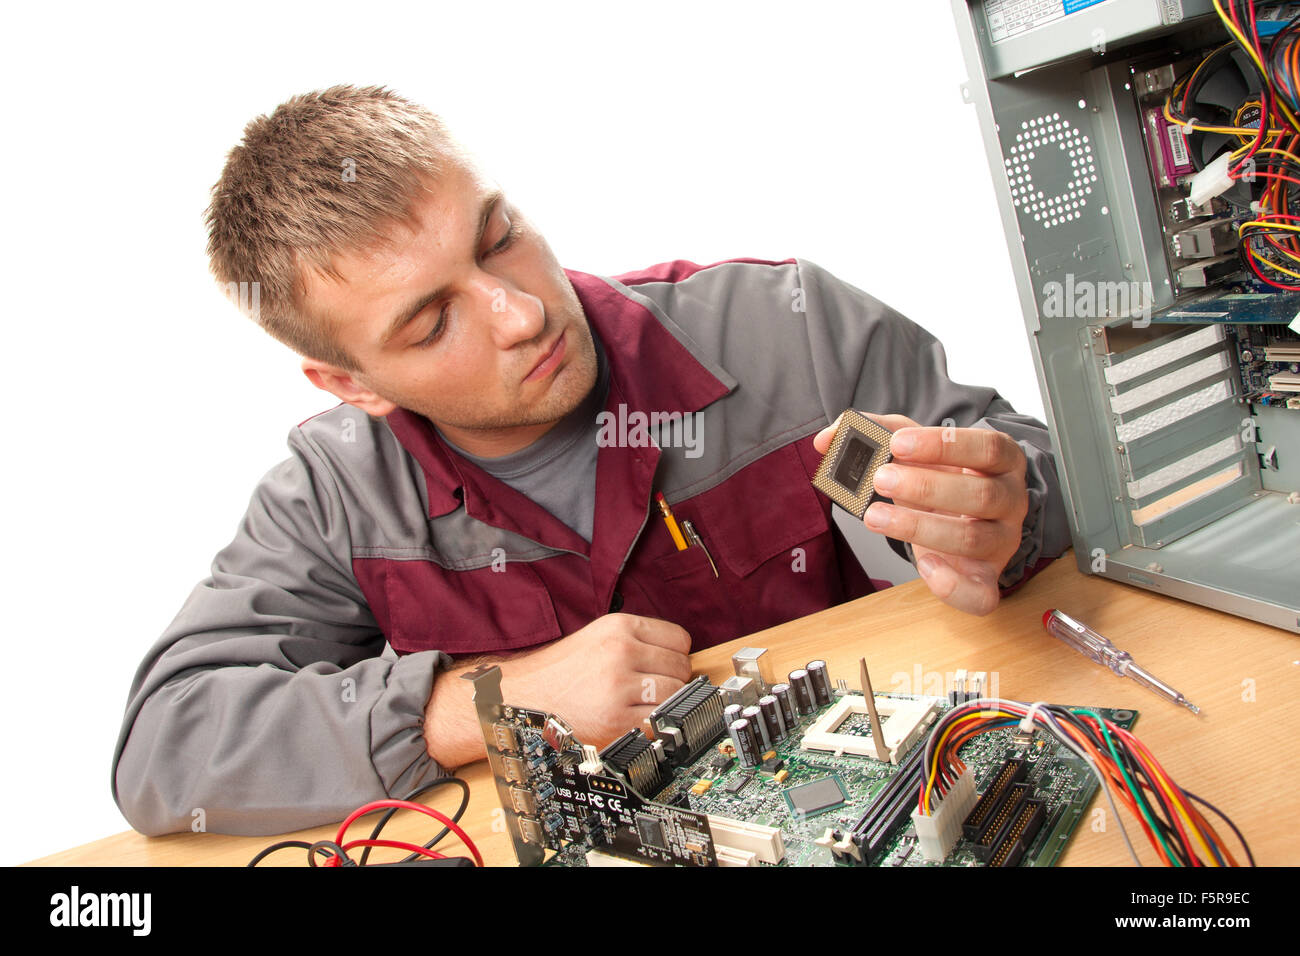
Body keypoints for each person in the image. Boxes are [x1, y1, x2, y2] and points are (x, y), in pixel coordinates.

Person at [112, 85, 1072, 837]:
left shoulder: (795, 329)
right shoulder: (331, 498)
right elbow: (168, 746)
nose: (519, 312)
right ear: (351, 383)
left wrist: (1009, 514)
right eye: (434, 319)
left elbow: (1067, 487)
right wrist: (492, 705)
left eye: (500, 240)